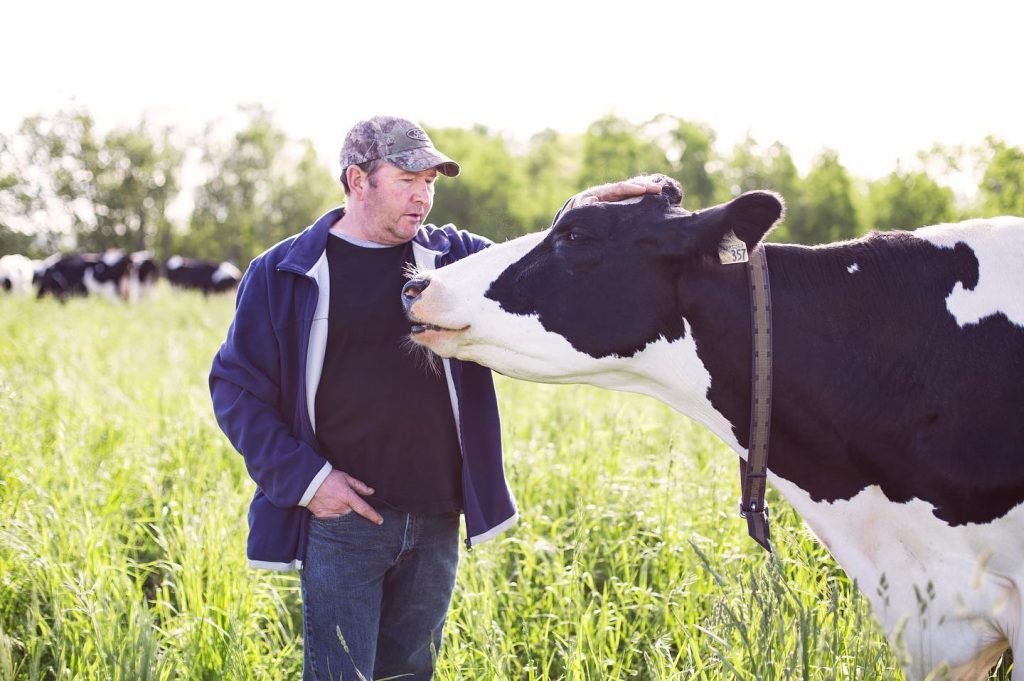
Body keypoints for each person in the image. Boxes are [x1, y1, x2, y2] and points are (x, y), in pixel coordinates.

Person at [209, 115, 664, 680]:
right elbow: (234, 387)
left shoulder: (456, 262)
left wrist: (580, 214)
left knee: (411, 674)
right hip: (346, 521)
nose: (423, 196)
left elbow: (536, 265)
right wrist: (308, 480)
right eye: (407, 180)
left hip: (437, 519)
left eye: (431, 182)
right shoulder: (285, 271)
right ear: (357, 180)